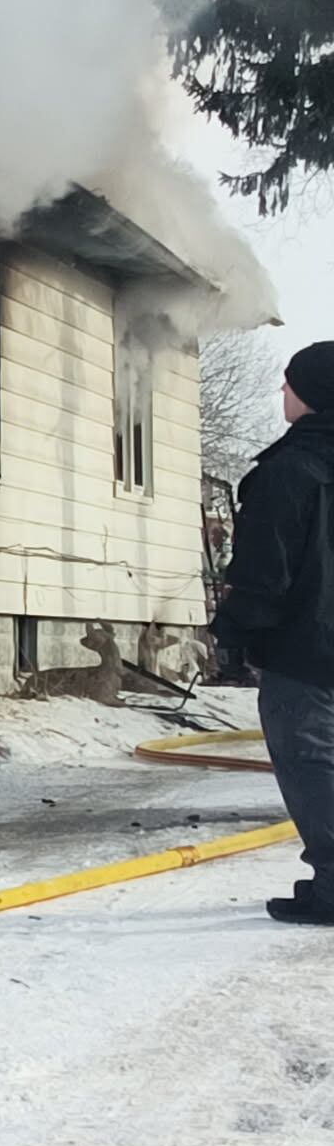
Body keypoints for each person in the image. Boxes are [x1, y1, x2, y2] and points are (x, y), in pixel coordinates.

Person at [212, 340, 334, 924]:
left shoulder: (291, 471)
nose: (281, 393)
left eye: (289, 384)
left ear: (312, 393)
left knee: (311, 765)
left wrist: (234, 636)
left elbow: (265, 568)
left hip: (307, 650)